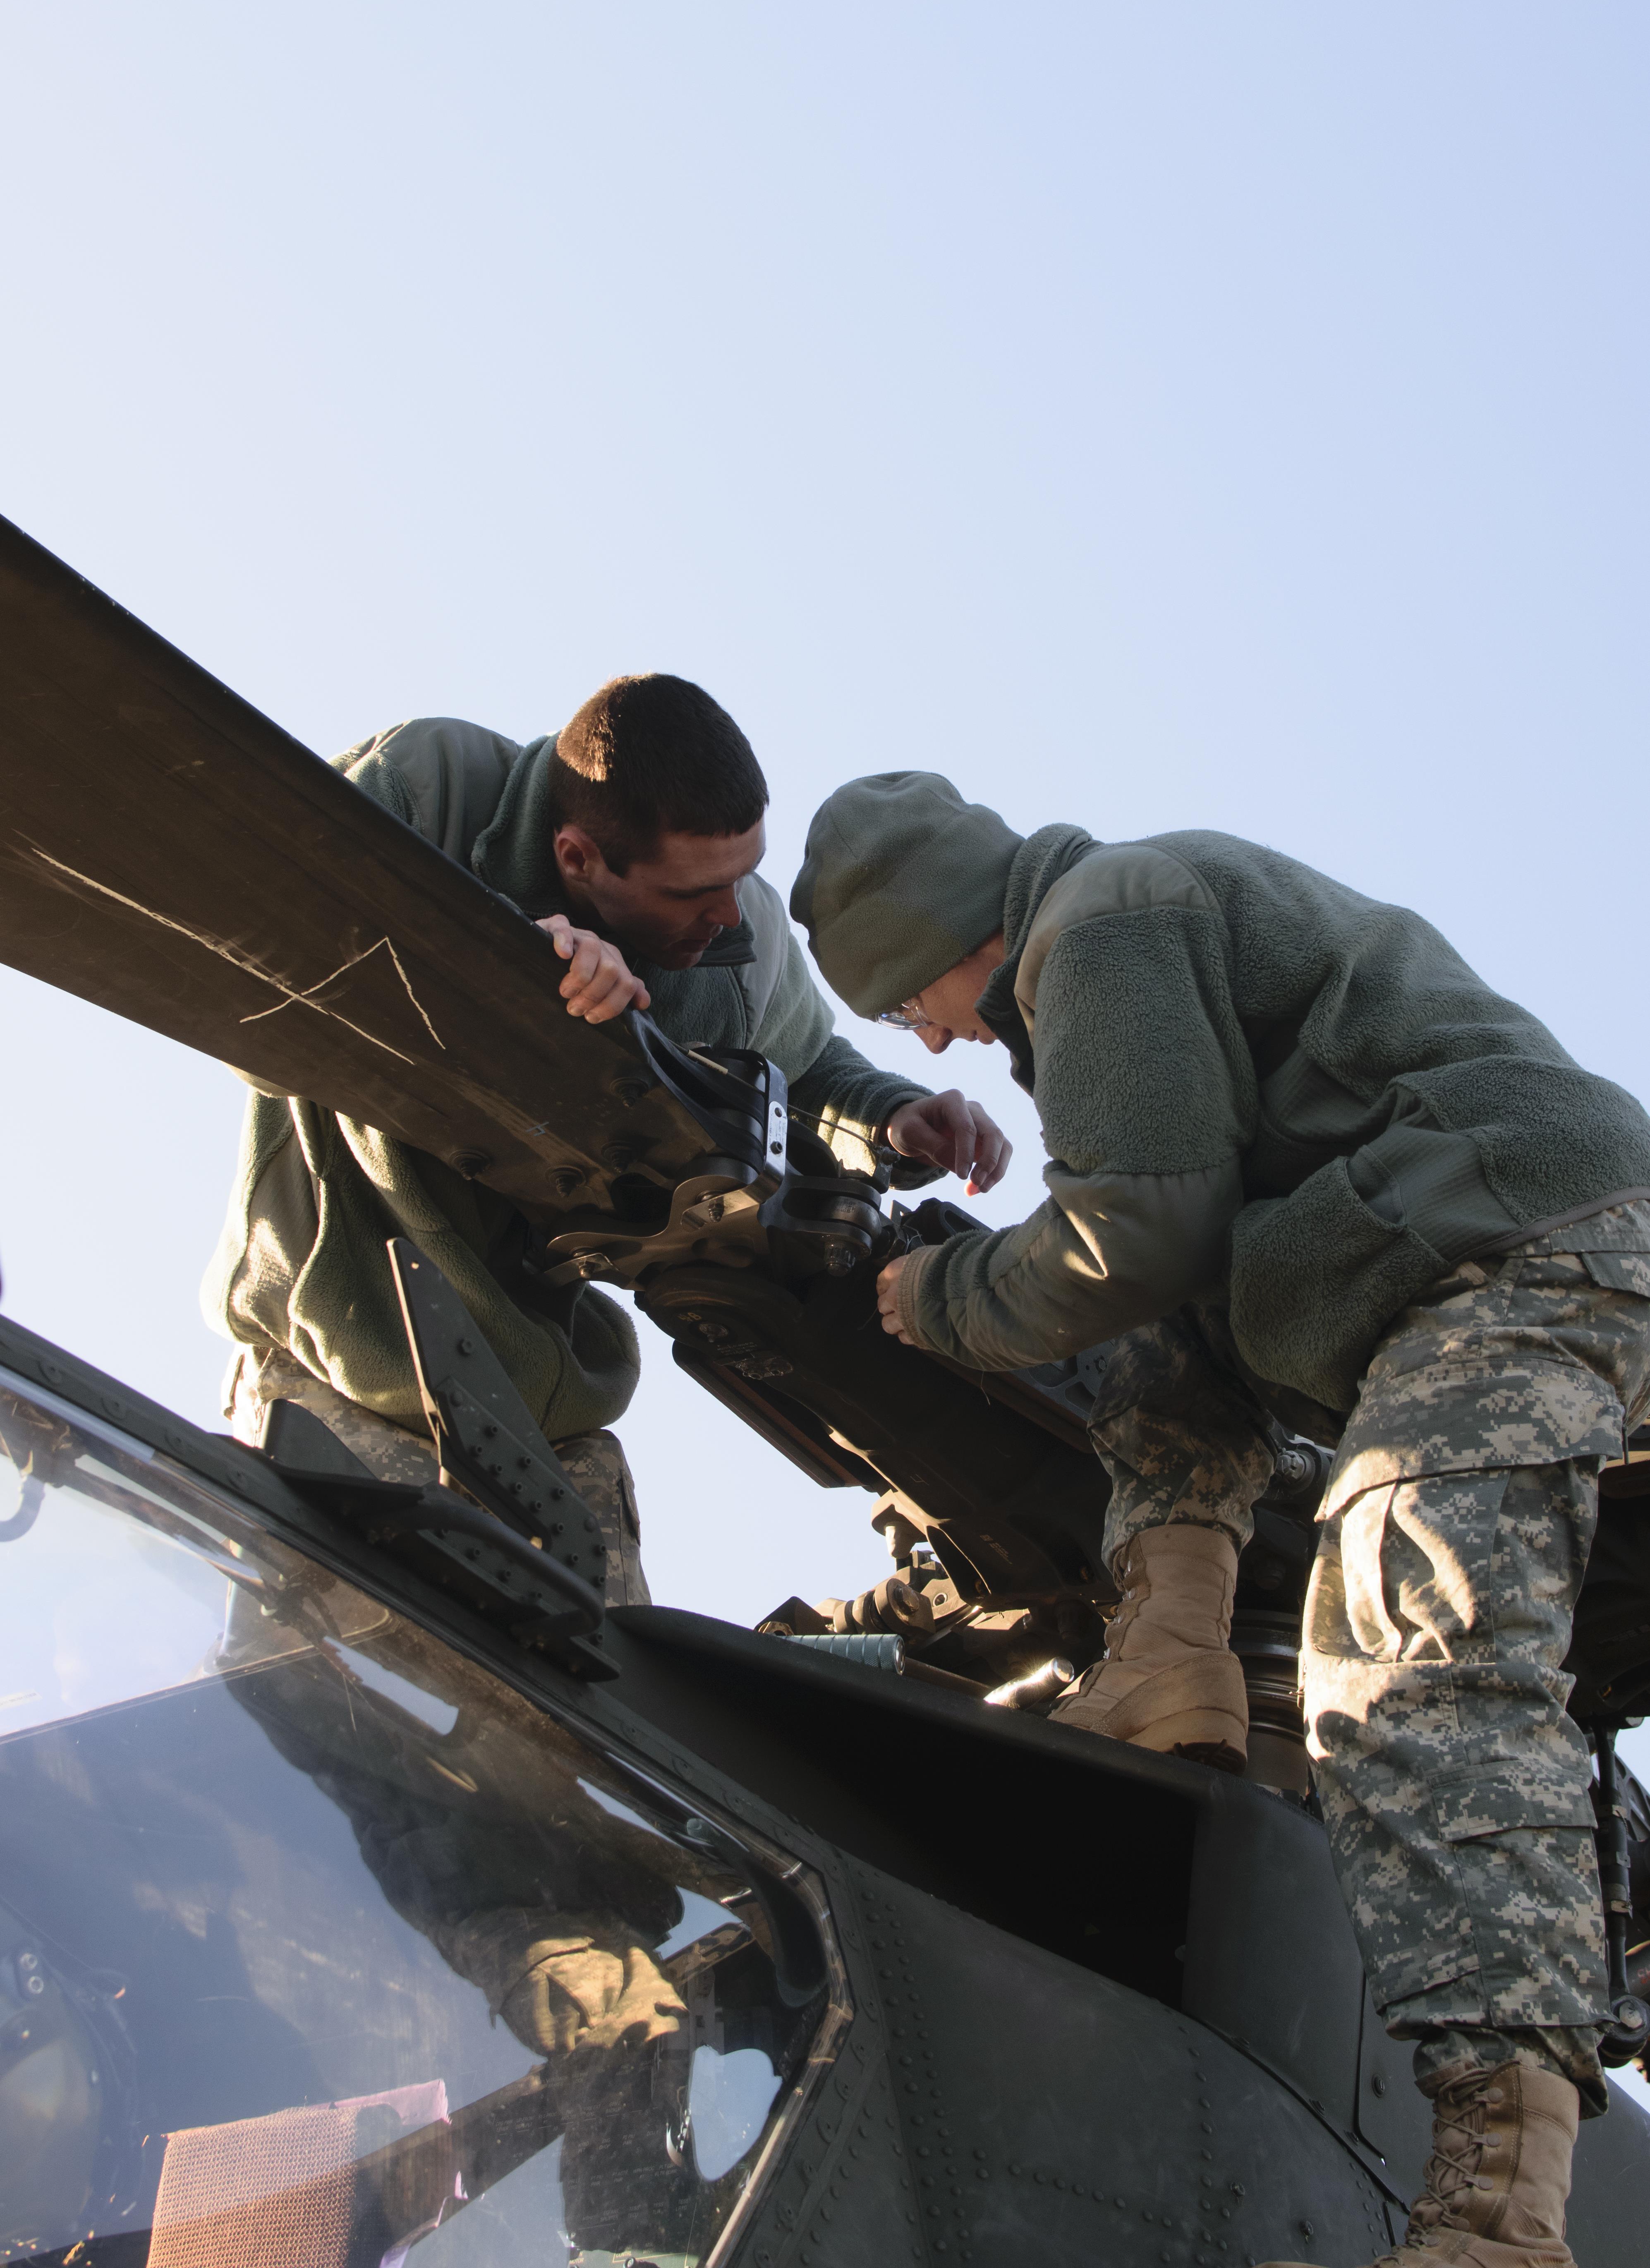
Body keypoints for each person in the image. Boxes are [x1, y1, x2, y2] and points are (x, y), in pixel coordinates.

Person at [790, 769, 1650, 2268]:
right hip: (1406, 1246)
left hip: (1515, 1247)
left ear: (939, 930)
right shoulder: (1110, 944)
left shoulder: (1101, 922)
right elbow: (1167, 1270)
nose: (925, 1040)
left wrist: (946, 1298)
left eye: (906, 1001)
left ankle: (1503, 2210)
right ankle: (1169, 1650)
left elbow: (1134, 1232)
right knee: (1156, 1324)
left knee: (1405, 1662)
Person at [203, 683, 1009, 1606]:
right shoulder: (432, 790)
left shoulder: (735, 942)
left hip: (552, 1436)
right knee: (338, 1693)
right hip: (341, 1381)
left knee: (594, 1694)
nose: (730, 916)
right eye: (694, 892)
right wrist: (503, 965)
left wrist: (890, 1115)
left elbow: (803, 1066)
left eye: (742, 876)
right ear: (577, 858)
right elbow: (249, 984)